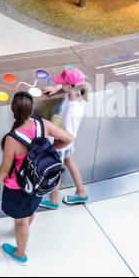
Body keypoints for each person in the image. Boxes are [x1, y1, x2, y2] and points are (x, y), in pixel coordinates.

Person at [0, 91, 72, 264]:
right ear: (32, 109)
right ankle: (24, 230)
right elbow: (68, 138)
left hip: (19, 186)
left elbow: (5, 169)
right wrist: (51, 148)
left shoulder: (12, 139)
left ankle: (20, 254)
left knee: (20, 221)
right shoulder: (42, 124)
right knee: (30, 210)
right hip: (39, 181)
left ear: (13, 111)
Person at [39, 68, 90, 208]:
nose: (61, 85)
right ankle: (81, 193)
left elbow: (70, 137)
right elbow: (66, 85)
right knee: (69, 162)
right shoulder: (79, 92)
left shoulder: (73, 110)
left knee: (56, 170)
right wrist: (56, 89)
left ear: (70, 86)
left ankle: (53, 200)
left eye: (63, 83)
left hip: (61, 143)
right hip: (65, 143)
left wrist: (54, 147)